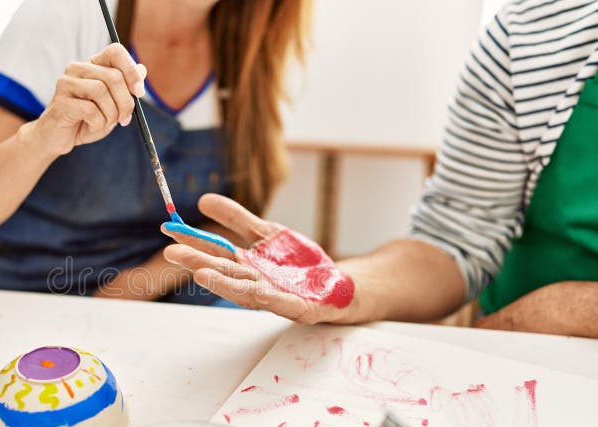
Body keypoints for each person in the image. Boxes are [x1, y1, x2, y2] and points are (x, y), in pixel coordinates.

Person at [163, 0, 598, 338]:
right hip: (526, 345)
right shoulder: (531, 35)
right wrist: (345, 285)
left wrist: (570, 308)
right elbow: (454, 241)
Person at [0, 0, 309, 305]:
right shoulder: (65, 15)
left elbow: (238, 218)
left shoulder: (255, 44)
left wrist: (136, 285)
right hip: (36, 299)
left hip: (166, 290)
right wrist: (42, 137)